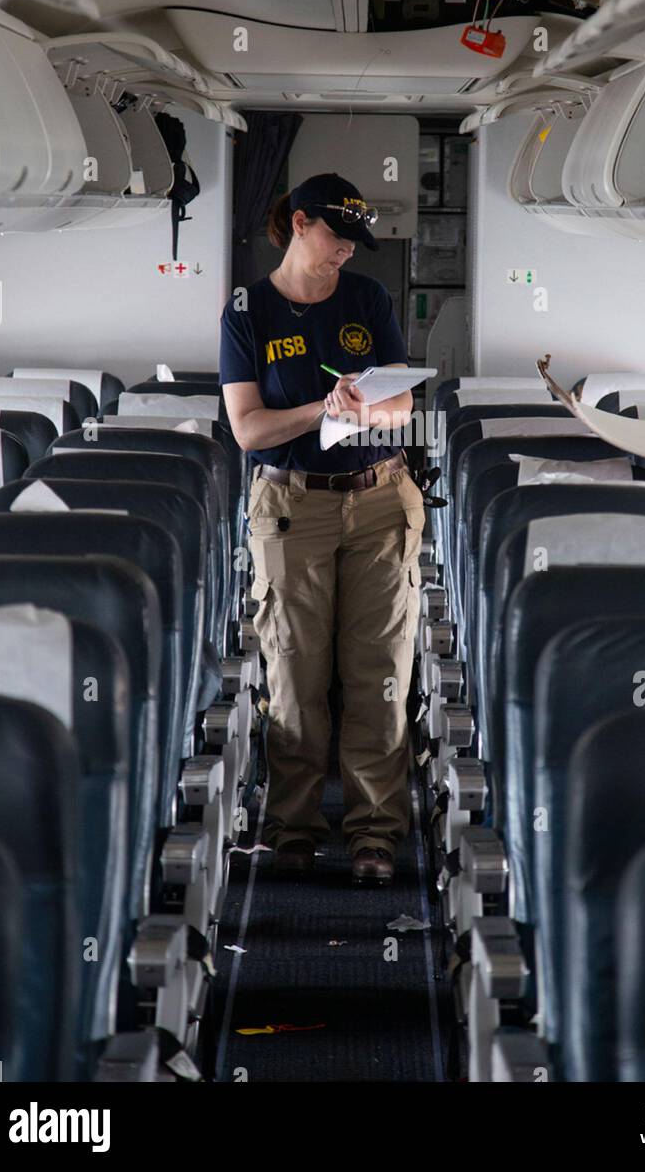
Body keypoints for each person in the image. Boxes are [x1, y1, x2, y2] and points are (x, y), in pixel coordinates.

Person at [220, 172, 426, 884]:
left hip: (378, 498)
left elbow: (401, 405)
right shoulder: (247, 310)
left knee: (379, 671)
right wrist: (322, 410)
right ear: (300, 223)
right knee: (296, 668)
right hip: (291, 504)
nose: (345, 253)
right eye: (336, 238)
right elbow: (248, 429)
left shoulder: (369, 298)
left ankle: (375, 829)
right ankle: (295, 825)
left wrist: (366, 410)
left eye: (352, 243)